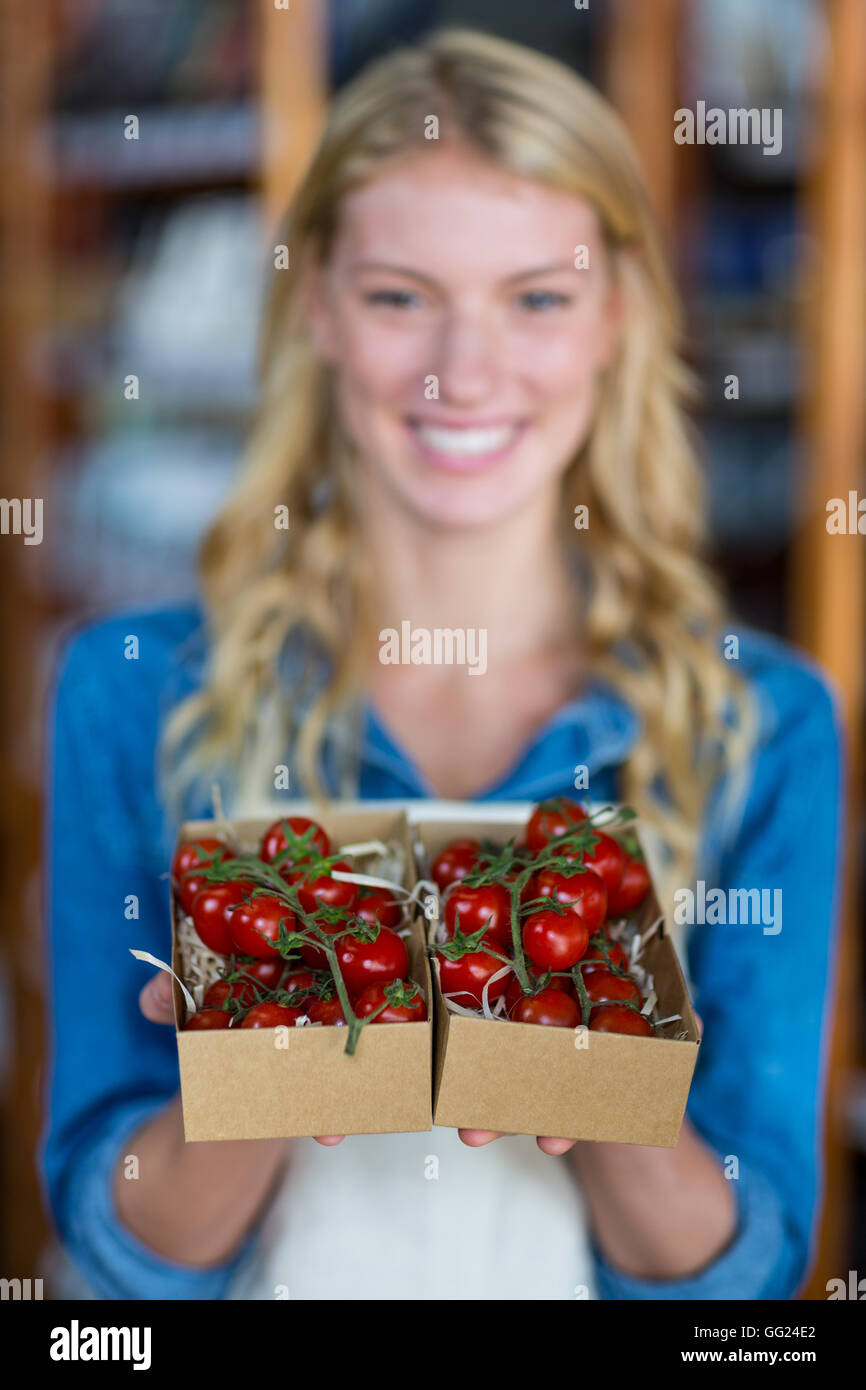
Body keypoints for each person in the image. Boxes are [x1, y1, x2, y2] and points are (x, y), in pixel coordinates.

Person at [43, 29, 842, 1300]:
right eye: (398, 295)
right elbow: (121, 1253)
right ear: (314, 307)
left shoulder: (762, 721)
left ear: (615, 314)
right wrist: (248, 1082)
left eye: (536, 297)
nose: (464, 372)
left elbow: (734, 1279)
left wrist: (585, 1084)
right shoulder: (130, 690)